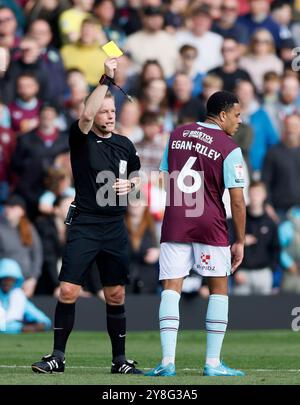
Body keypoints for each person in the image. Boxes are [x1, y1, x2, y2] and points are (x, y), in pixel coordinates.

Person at [31, 57, 142, 375]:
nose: (110, 116)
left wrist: (132, 184)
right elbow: (85, 114)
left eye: (113, 111)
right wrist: (105, 81)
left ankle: (119, 360)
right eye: (105, 111)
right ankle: (57, 357)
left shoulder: (124, 144)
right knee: (68, 290)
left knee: (116, 293)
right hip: (85, 224)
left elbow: (136, 180)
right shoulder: (81, 138)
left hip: (114, 226)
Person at [145, 91, 246, 377]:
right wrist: (239, 239)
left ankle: (167, 360)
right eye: (237, 115)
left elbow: (166, 178)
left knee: (170, 288)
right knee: (218, 289)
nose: (239, 121)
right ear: (223, 115)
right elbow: (237, 200)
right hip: (210, 222)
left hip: (177, 219)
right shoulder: (229, 147)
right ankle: (213, 364)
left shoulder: (177, 134)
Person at [0, 258, 51, 334]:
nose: (8, 283)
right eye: (5, 279)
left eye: (11, 279)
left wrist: (41, 325)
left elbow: (44, 321)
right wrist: (20, 329)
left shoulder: (18, 296)